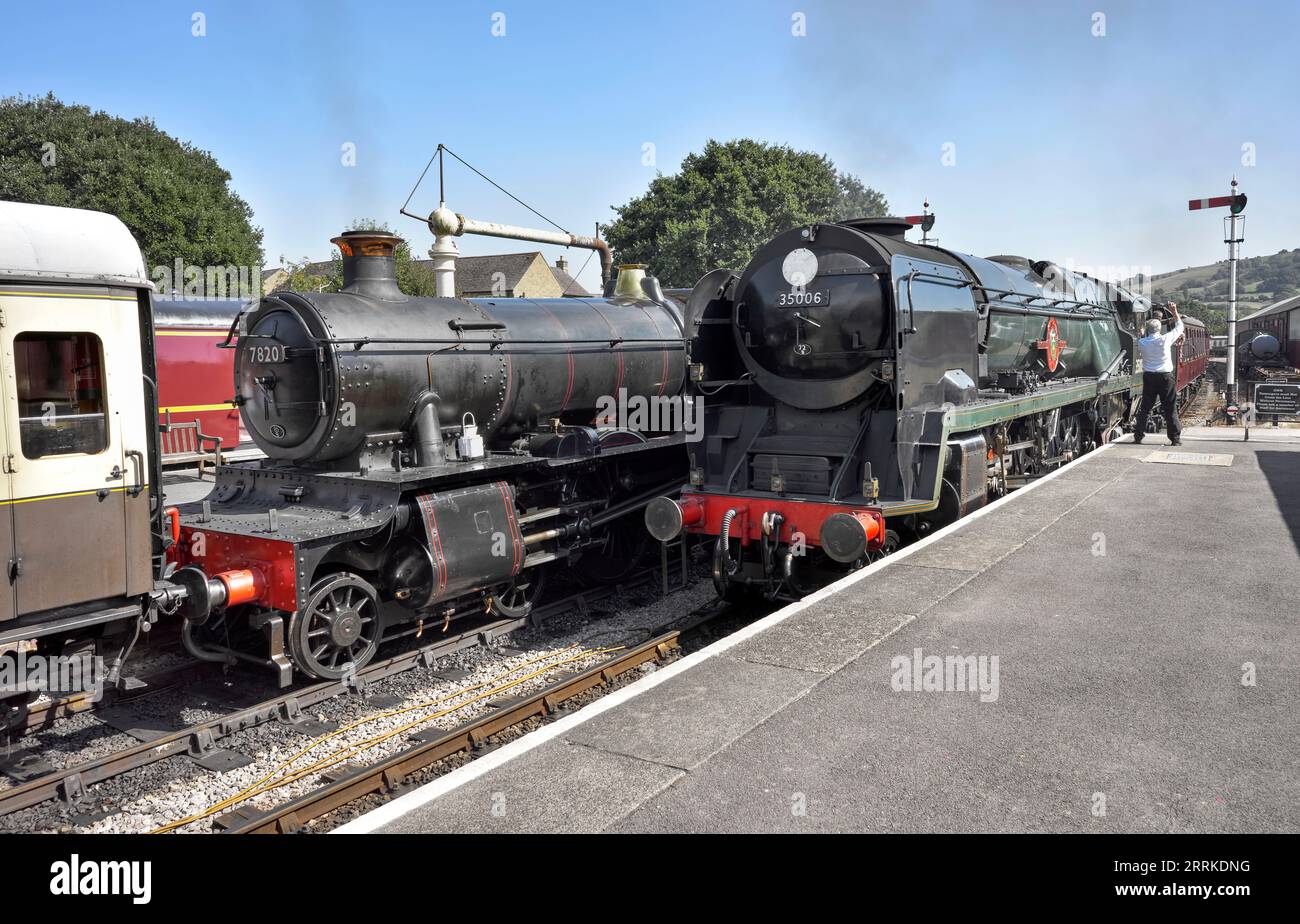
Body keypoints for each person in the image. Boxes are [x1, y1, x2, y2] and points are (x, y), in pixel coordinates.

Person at [1133, 301, 1184, 445]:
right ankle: (1175, 439)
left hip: (1149, 377)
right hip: (1165, 378)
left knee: (1145, 409)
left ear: (1147, 330)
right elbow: (1180, 327)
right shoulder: (1165, 339)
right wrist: (1174, 311)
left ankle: (1138, 436)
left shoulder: (1142, 343)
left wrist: (1142, 332)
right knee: (1170, 408)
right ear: (1160, 329)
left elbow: (1140, 336)